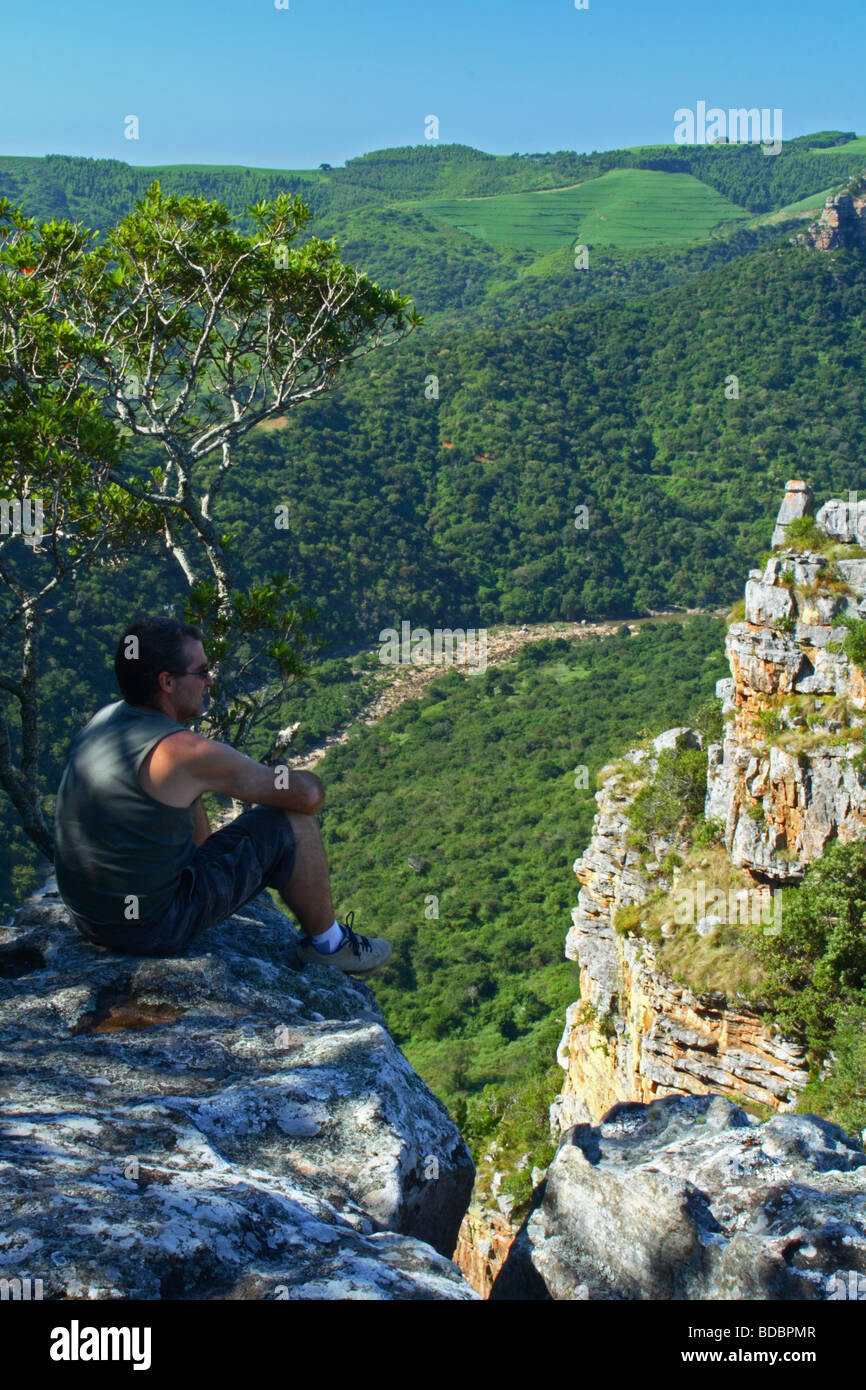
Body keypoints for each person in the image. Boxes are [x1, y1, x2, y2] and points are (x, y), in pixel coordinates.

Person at [52, 616, 391, 973]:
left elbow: (184, 803)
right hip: (148, 930)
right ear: (166, 682)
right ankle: (330, 945)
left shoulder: (104, 721)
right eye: (200, 673)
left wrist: (205, 861)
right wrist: (308, 779)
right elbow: (306, 796)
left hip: (89, 919)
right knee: (289, 821)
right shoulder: (182, 751)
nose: (210, 680)